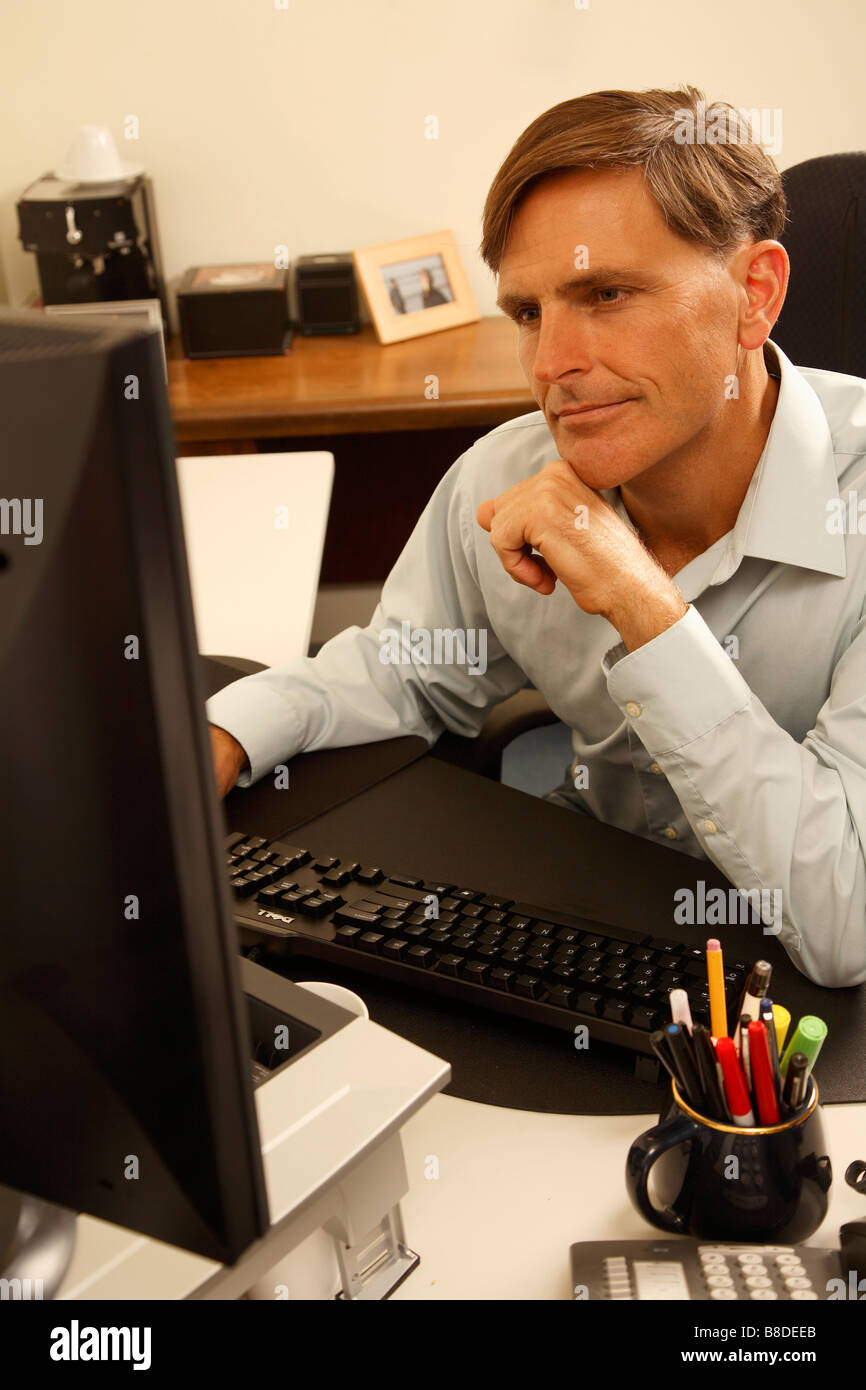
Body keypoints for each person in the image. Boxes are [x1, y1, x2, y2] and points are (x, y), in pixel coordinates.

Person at [208, 85, 866, 988]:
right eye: (528, 312)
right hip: (592, 918)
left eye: (606, 294)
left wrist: (646, 609)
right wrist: (228, 734)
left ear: (755, 294)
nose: (551, 365)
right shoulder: (506, 473)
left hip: (793, 1001)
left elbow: (843, 919)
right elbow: (410, 667)